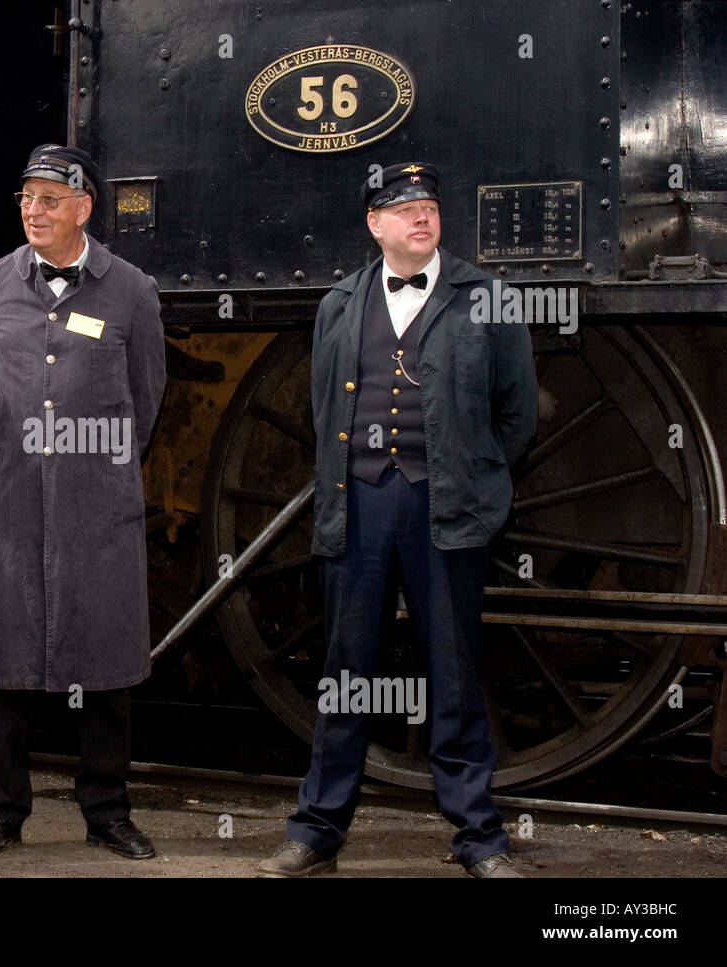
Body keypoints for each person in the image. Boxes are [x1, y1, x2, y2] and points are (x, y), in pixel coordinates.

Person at [258, 163, 538, 878]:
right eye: (405, 209)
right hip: (360, 507)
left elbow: (518, 413)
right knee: (345, 672)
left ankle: (479, 837)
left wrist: (467, 471)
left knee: (455, 671)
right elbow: (325, 410)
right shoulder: (339, 304)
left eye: (430, 207)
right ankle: (317, 830)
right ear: (375, 224)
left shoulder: (488, 298)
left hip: (445, 508)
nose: (422, 217)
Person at [0, 144, 167, 859]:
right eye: (26, 199)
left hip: (95, 505)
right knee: (0, 663)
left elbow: (146, 400)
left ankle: (108, 811)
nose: (33, 211)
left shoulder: (131, 290)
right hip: (7, 498)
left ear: (84, 208)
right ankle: (0, 810)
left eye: (49, 199)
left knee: (104, 664)